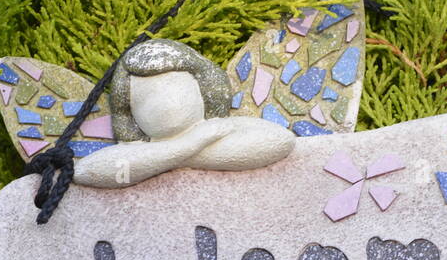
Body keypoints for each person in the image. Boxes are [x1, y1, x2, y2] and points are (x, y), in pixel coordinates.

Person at [73, 39, 295, 188]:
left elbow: (280, 141)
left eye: (175, 87)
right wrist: (188, 145)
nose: (166, 104)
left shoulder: (220, 128)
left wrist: (160, 159)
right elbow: (87, 171)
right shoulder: (134, 151)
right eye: (146, 96)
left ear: (202, 90)